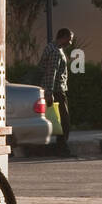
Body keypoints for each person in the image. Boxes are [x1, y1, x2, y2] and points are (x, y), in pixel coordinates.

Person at [38, 27, 75, 157]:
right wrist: (49, 92)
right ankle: (62, 148)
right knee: (64, 122)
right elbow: (51, 73)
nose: (70, 43)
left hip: (54, 89)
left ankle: (61, 147)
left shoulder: (51, 47)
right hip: (57, 91)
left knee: (59, 121)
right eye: (69, 40)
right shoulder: (55, 51)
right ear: (63, 37)